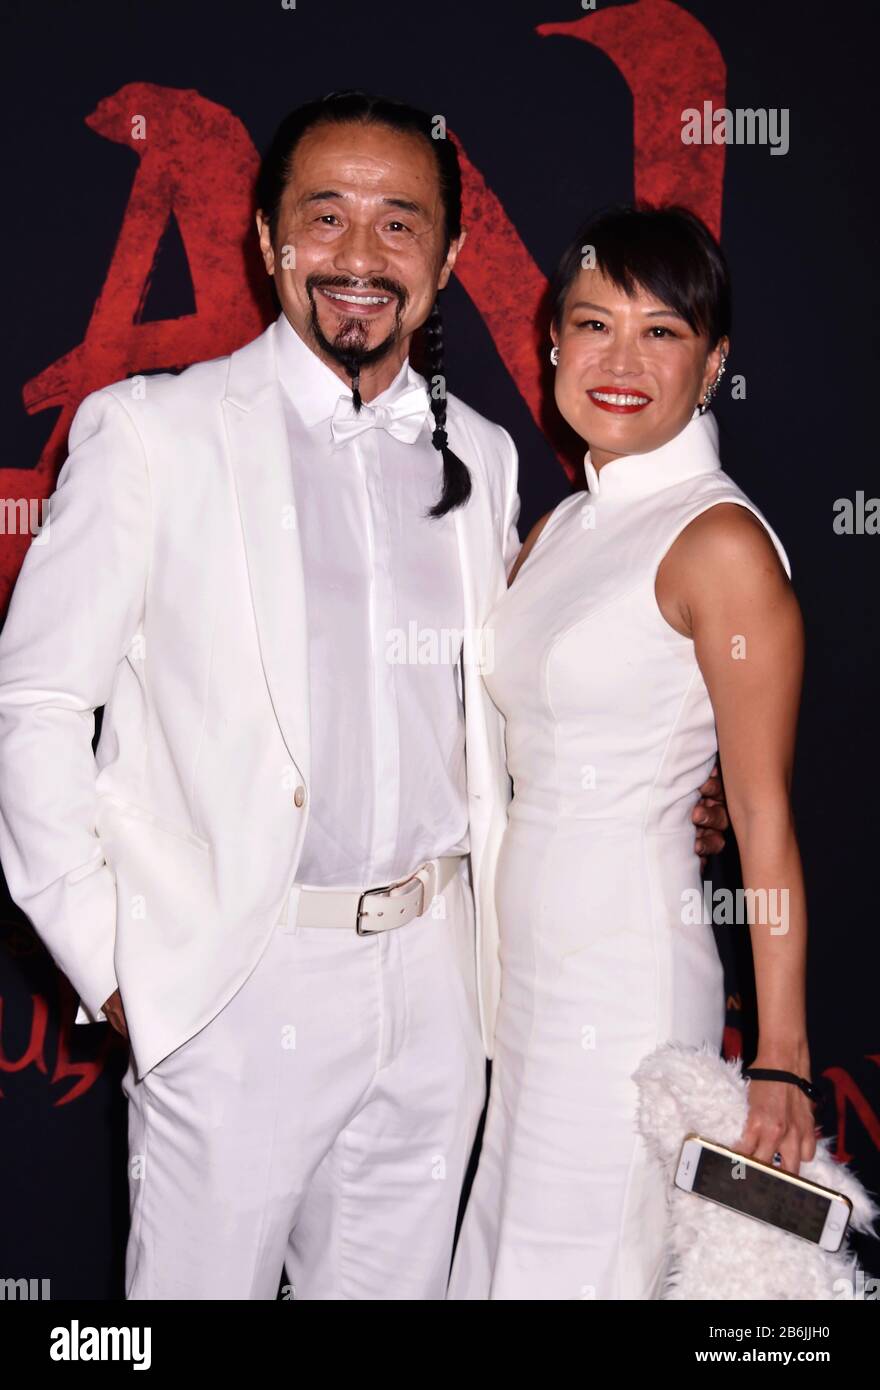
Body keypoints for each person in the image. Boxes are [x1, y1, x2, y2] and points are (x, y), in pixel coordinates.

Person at [0, 97, 725, 1300]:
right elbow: (30, 703)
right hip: (233, 975)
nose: (358, 255)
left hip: (441, 982)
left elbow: (509, 705)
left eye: (399, 224)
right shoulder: (152, 435)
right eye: (323, 217)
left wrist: (644, 785)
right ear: (264, 238)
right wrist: (111, 956)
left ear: (445, 258)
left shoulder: (484, 458)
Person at [447, 203, 815, 1301]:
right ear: (550, 343)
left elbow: (760, 820)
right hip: (523, 987)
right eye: (592, 324)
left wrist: (783, 1056)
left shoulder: (720, 540)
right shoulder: (563, 526)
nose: (619, 360)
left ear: (713, 363)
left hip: (623, 988)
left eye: (660, 332)